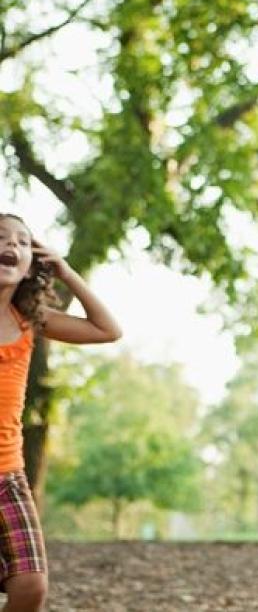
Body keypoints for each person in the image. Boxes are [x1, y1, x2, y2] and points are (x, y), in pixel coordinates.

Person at [0, 213, 122, 611]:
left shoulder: (30, 318)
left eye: (22, 242)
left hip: (7, 475)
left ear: (31, 263)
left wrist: (67, 272)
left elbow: (107, 330)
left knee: (31, 585)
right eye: (2, 238)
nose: (12, 246)